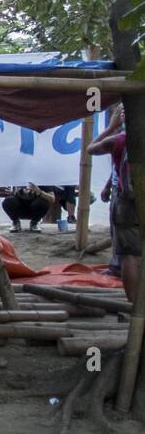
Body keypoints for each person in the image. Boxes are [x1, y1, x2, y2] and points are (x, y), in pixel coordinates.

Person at [89, 106, 137, 298]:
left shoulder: (120, 139)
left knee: (130, 256)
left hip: (127, 203)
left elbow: (90, 148)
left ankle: (135, 308)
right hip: (129, 194)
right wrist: (109, 183)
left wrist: (110, 127)